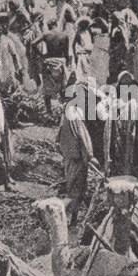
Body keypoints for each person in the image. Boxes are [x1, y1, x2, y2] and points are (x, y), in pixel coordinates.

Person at [58, 82, 96, 227]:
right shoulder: (75, 115)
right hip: (77, 158)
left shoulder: (67, 112)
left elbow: (60, 135)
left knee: (75, 188)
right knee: (76, 190)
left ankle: (74, 218)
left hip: (69, 156)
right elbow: (82, 137)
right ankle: (66, 217)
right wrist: (89, 156)